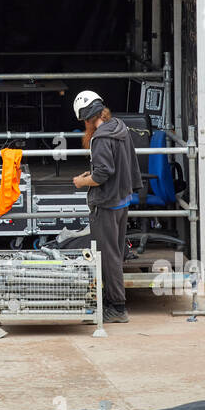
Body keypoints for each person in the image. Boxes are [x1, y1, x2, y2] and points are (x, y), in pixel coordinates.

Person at [70, 90, 141, 324]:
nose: (84, 126)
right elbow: (119, 164)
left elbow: (102, 175)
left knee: (108, 257)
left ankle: (117, 307)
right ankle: (111, 302)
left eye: (83, 121)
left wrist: (83, 181)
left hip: (107, 203)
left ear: (88, 118)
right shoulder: (119, 127)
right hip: (122, 199)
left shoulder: (100, 138)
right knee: (116, 253)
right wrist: (95, 173)